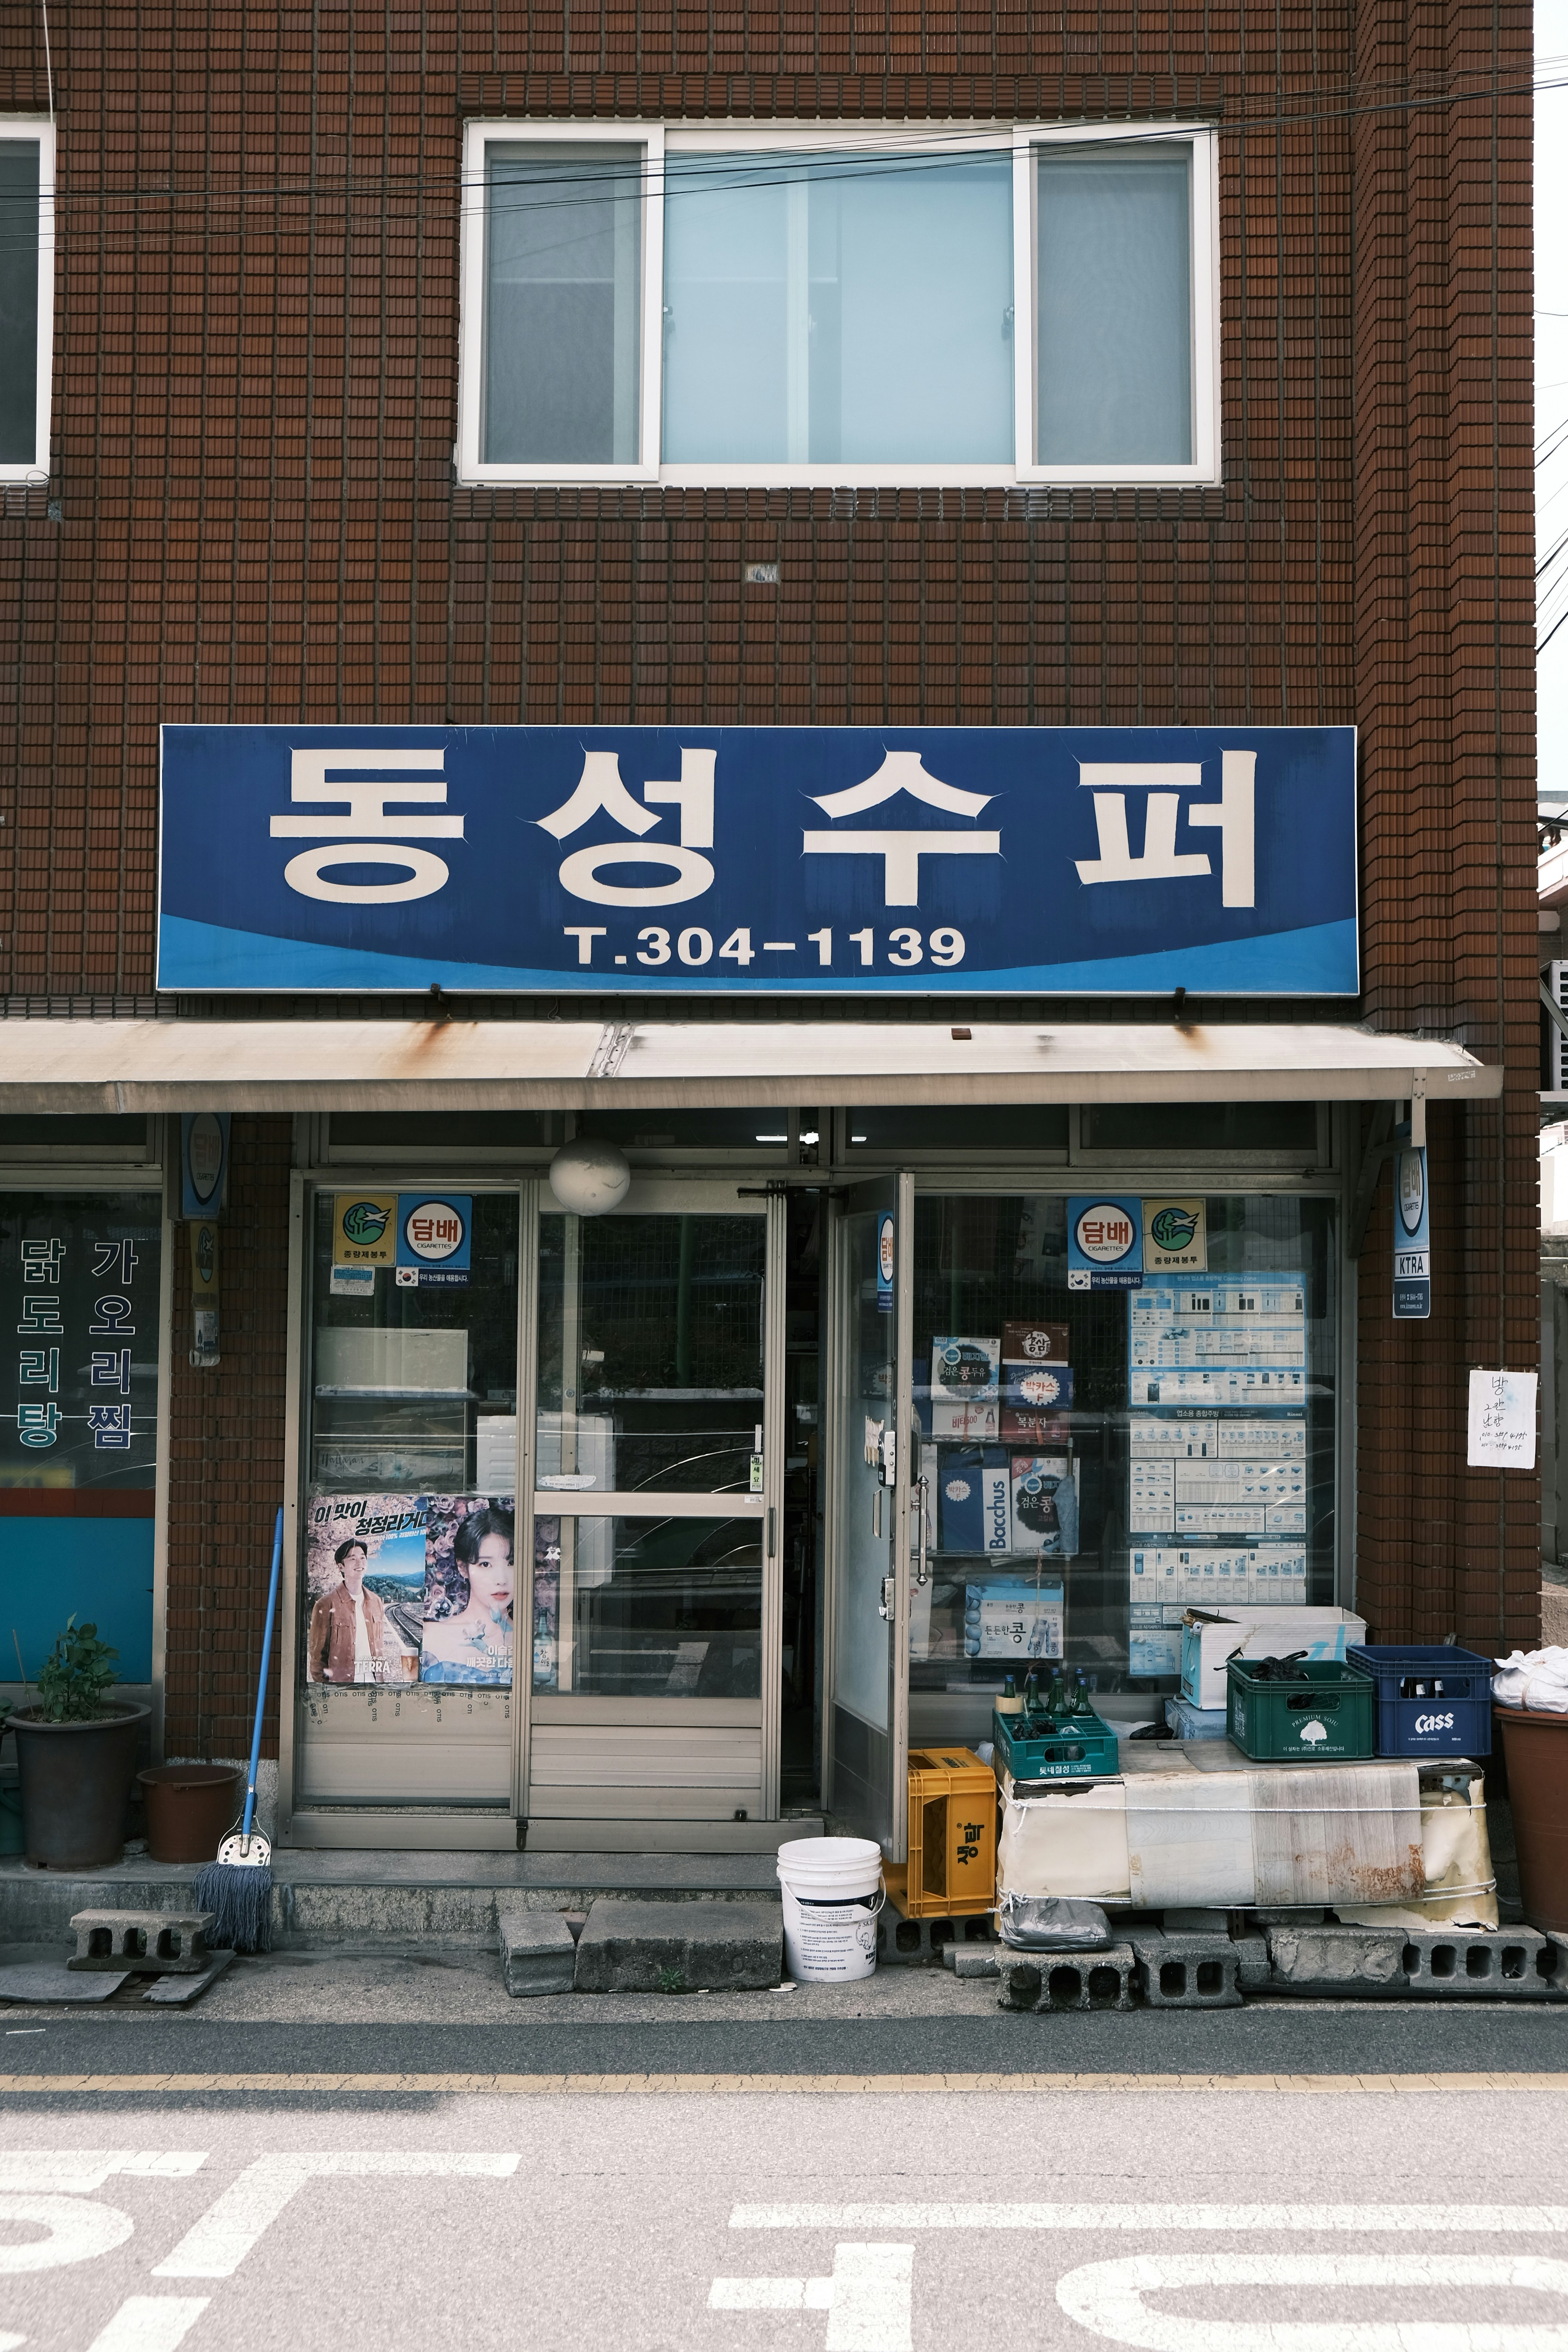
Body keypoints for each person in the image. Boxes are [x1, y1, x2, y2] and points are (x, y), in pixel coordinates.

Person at [420, 1506, 514, 1684]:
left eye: (512, 1562)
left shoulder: (533, 1643)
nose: (502, 1580)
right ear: (464, 1568)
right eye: (485, 1564)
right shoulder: (430, 1636)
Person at [306, 1537, 393, 1683]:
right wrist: (329, 1692)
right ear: (341, 1567)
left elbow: (379, 1648)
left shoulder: (376, 1602)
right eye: (353, 1559)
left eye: (363, 1558)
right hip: (343, 1690)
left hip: (376, 1686)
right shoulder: (325, 1605)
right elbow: (317, 1660)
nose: (360, 1563)